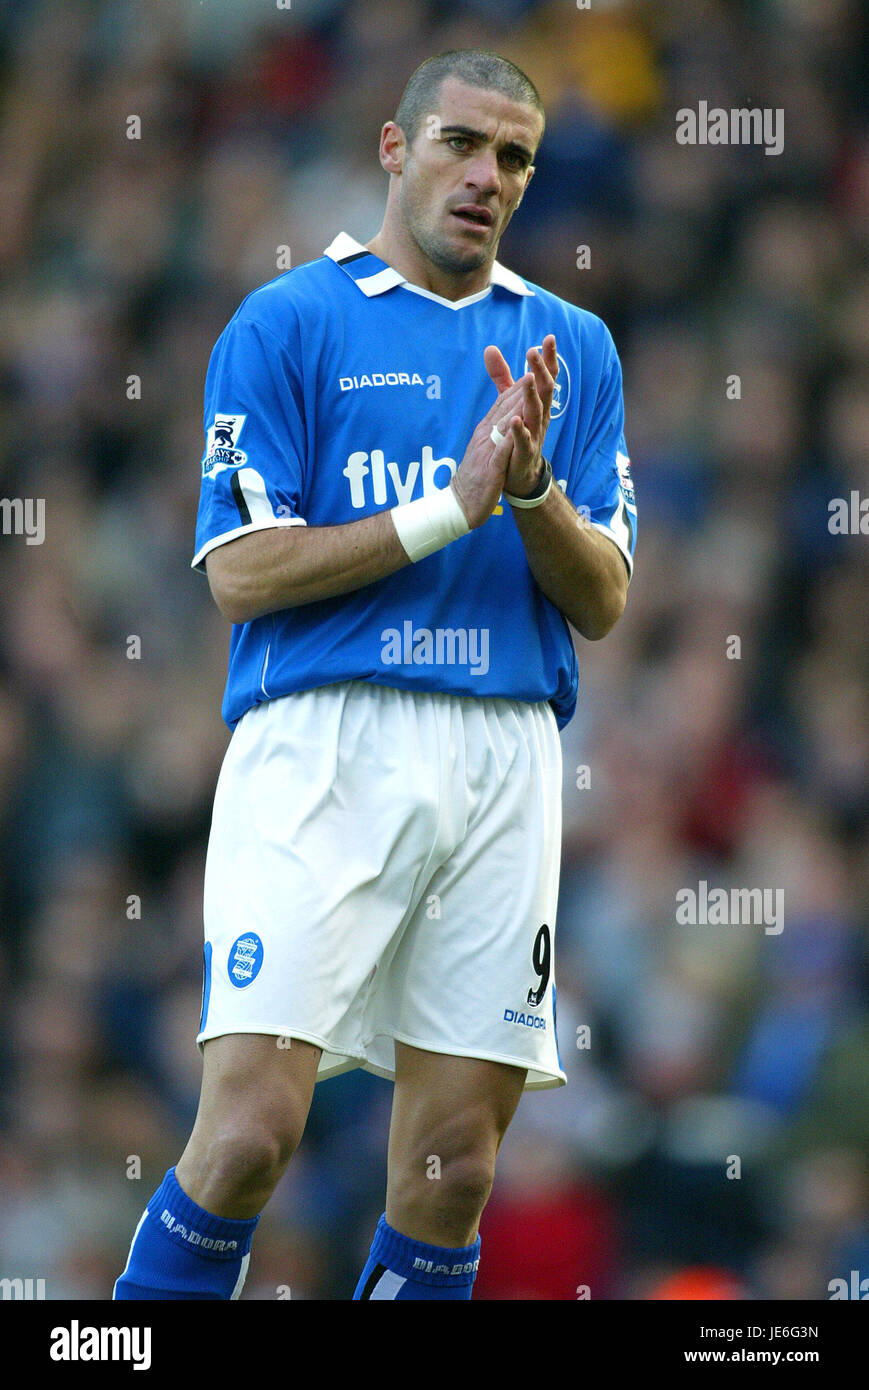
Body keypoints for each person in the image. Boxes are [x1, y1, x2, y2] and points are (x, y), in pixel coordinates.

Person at [114, 47, 637, 1302]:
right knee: (246, 1137)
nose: (486, 176)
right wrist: (444, 513)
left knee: (454, 1168)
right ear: (396, 150)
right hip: (321, 743)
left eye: (513, 158)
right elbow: (238, 573)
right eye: (461, 143)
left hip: (504, 753)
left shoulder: (569, 347)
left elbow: (605, 598)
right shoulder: (287, 321)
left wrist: (527, 495)